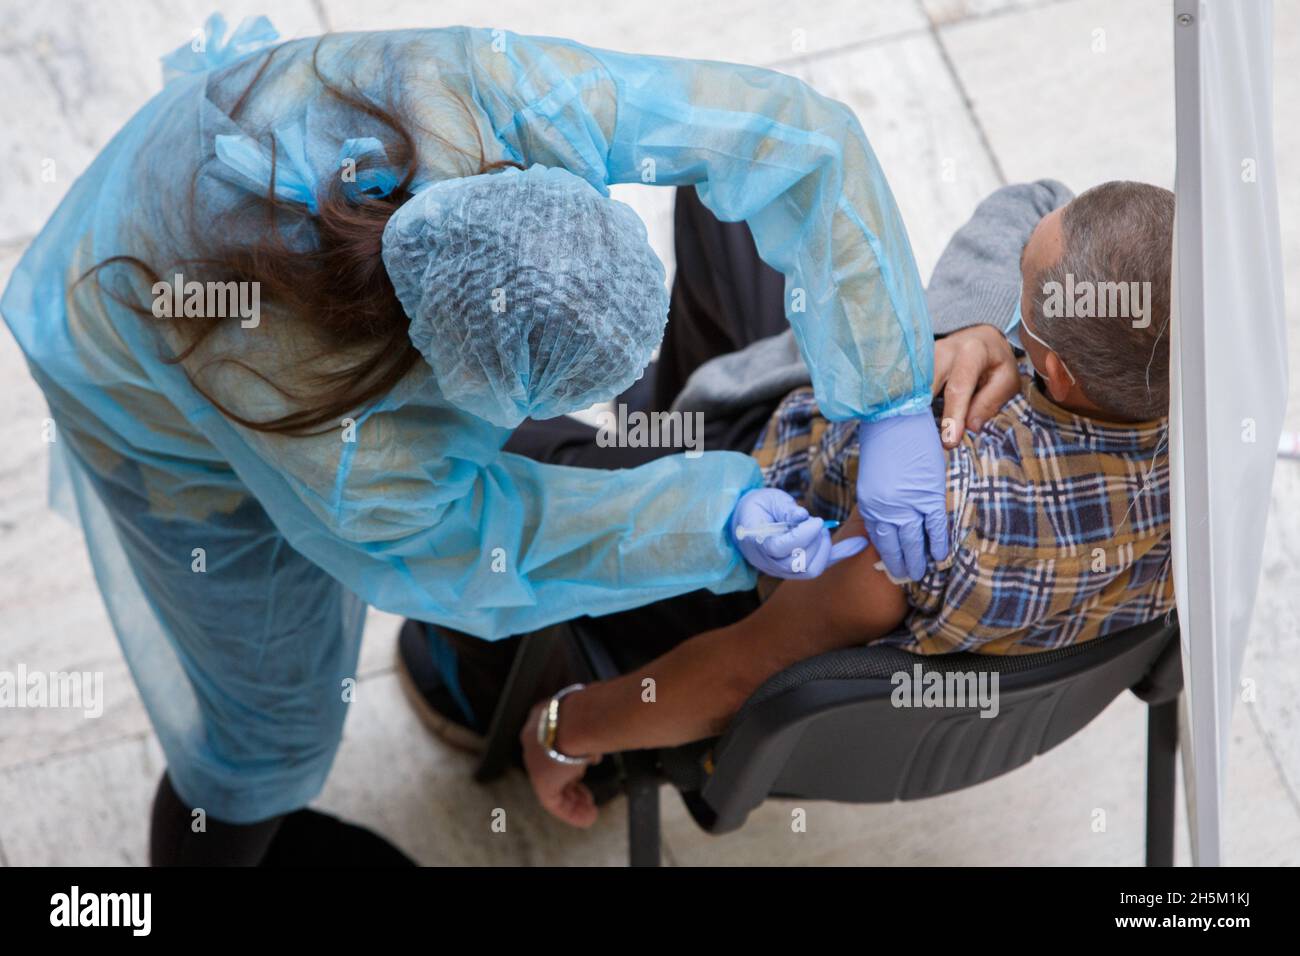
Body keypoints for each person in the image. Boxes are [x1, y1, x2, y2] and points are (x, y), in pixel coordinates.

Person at [1, 14, 957, 863]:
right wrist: (714, 518)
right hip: (133, 346)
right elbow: (488, 549)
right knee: (268, 723)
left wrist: (891, 396)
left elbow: (785, 137)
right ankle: (219, 842)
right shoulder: (331, 430)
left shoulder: (499, 96)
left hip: (203, 172)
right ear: (447, 376)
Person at [399, 180, 1177, 827]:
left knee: (474, 462)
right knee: (735, 192)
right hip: (802, 441)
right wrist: (973, 324)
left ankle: (481, 683)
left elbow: (740, 675)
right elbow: (1036, 198)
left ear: (1061, 372)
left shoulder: (923, 522)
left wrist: (566, 731)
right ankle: (670, 413)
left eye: (1027, 300)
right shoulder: (1203, 445)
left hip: (756, 535)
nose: (1017, 286)